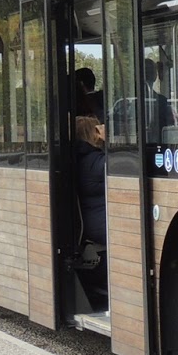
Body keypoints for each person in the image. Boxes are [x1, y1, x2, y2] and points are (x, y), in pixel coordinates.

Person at [74, 114, 108, 309]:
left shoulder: (81, 158)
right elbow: (127, 165)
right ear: (95, 134)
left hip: (91, 220)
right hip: (100, 224)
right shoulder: (96, 162)